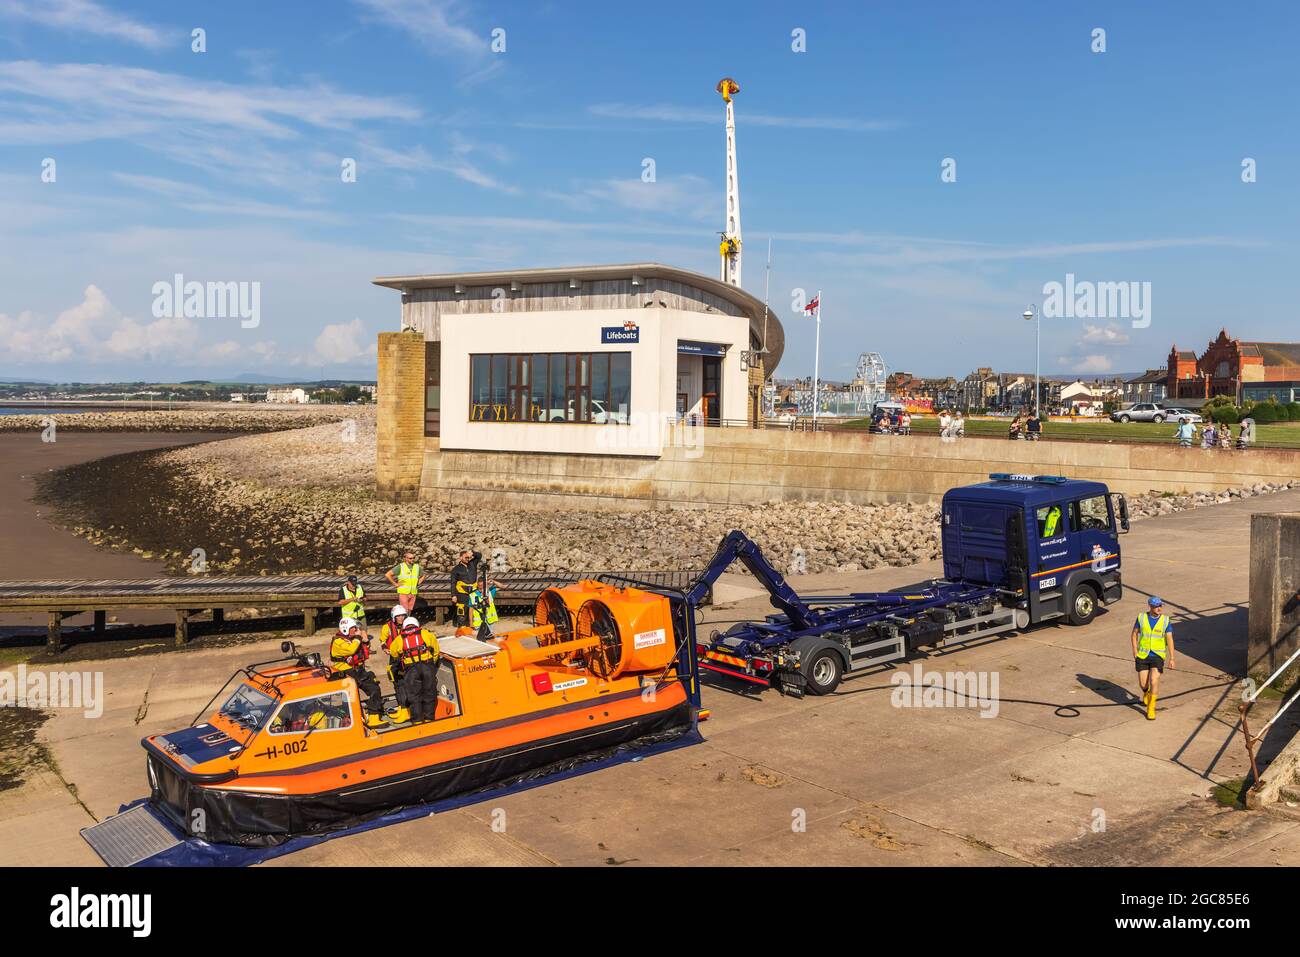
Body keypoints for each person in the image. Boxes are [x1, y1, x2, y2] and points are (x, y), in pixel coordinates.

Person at [329, 617, 387, 728]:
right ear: (345, 629)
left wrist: (365, 642)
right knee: (347, 698)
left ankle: (374, 717)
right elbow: (351, 649)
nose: (355, 630)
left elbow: (363, 651)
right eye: (353, 628)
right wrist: (359, 637)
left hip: (358, 670)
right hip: (344, 672)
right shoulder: (338, 642)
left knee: (374, 688)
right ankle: (347, 721)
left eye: (356, 628)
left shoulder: (353, 638)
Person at [1131, 596, 1175, 720]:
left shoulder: (1166, 620)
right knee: (1143, 683)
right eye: (1157, 606)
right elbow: (1134, 634)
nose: (1160, 608)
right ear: (1150, 606)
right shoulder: (1141, 618)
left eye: (1161, 605)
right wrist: (1135, 650)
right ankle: (1146, 692)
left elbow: (1169, 639)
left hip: (1158, 655)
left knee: (1154, 680)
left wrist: (1172, 658)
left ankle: (1151, 708)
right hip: (1143, 655)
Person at [390, 617, 441, 723]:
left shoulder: (400, 638)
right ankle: (429, 719)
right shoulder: (426, 634)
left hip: (411, 669)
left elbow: (393, 652)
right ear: (417, 625)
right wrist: (432, 662)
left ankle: (417, 721)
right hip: (427, 666)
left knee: (414, 696)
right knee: (429, 693)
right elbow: (436, 650)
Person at [379, 604, 409, 719]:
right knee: (396, 681)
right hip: (394, 657)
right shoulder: (387, 627)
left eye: (403, 615)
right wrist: (385, 648)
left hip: (407, 657)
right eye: (399, 616)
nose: (401, 618)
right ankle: (402, 707)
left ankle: (407, 708)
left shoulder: (409, 625)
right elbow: (382, 640)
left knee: (407, 682)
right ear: (394, 617)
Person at [386, 550, 426, 614]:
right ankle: (404, 622)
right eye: (410, 558)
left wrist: (418, 582)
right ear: (406, 559)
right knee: (404, 610)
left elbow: (424, 575)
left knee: (410, 610)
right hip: (403, 592)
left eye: (413, 558)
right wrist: (395, 584)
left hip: (413, 592)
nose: (412, 559)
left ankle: (407, 622)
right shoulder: (400, 566)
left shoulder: (416, 566)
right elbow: (388, 574)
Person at [451, 548, 483, 628]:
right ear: (460, 558)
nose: (468, 559)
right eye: (466, 557)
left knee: (474, 609)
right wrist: (453, 595)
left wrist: (472, 553)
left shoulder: (472, 563)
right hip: (462, 594)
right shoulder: (455, 569)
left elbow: (479, 556)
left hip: (473, 592)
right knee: (462, 611)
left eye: (468, 557)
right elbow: (453, 583)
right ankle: (461, 626)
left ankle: (473, 625)